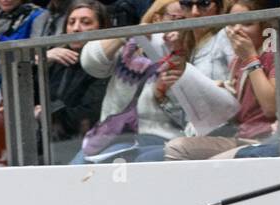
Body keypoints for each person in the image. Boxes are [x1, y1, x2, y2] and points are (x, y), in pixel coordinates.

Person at [73, 0, 190, 163]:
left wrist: (176, 54)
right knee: (75, 173)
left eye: (188, 20)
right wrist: (128, 34)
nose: (183, 26)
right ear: (157, 19)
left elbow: (190, 113)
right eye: (177, 19)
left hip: (161, 138)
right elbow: (90, 63)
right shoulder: (131, 47)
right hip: (111, 135)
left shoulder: (189, 55)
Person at [162, 0, 276, 159]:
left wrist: (250, 59)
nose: (237, 30)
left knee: (178, 149)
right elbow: (237, 111)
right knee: (172, 149)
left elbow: (271, 108)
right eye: (231, 24)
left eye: (247, 23)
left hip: (266, 137)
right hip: (237, 132)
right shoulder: (237, 59)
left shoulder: (273, 52)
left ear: (265, 26)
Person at [35, 1, 110, 163]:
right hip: (49, 146)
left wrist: (46, 113)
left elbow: (88, 115)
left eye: (86, 22)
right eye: (71, 22)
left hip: (89, 147)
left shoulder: (106, 65)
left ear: (102, 28)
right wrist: (41, 60)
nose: (76, 28)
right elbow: (20, 101)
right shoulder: (56, 60)